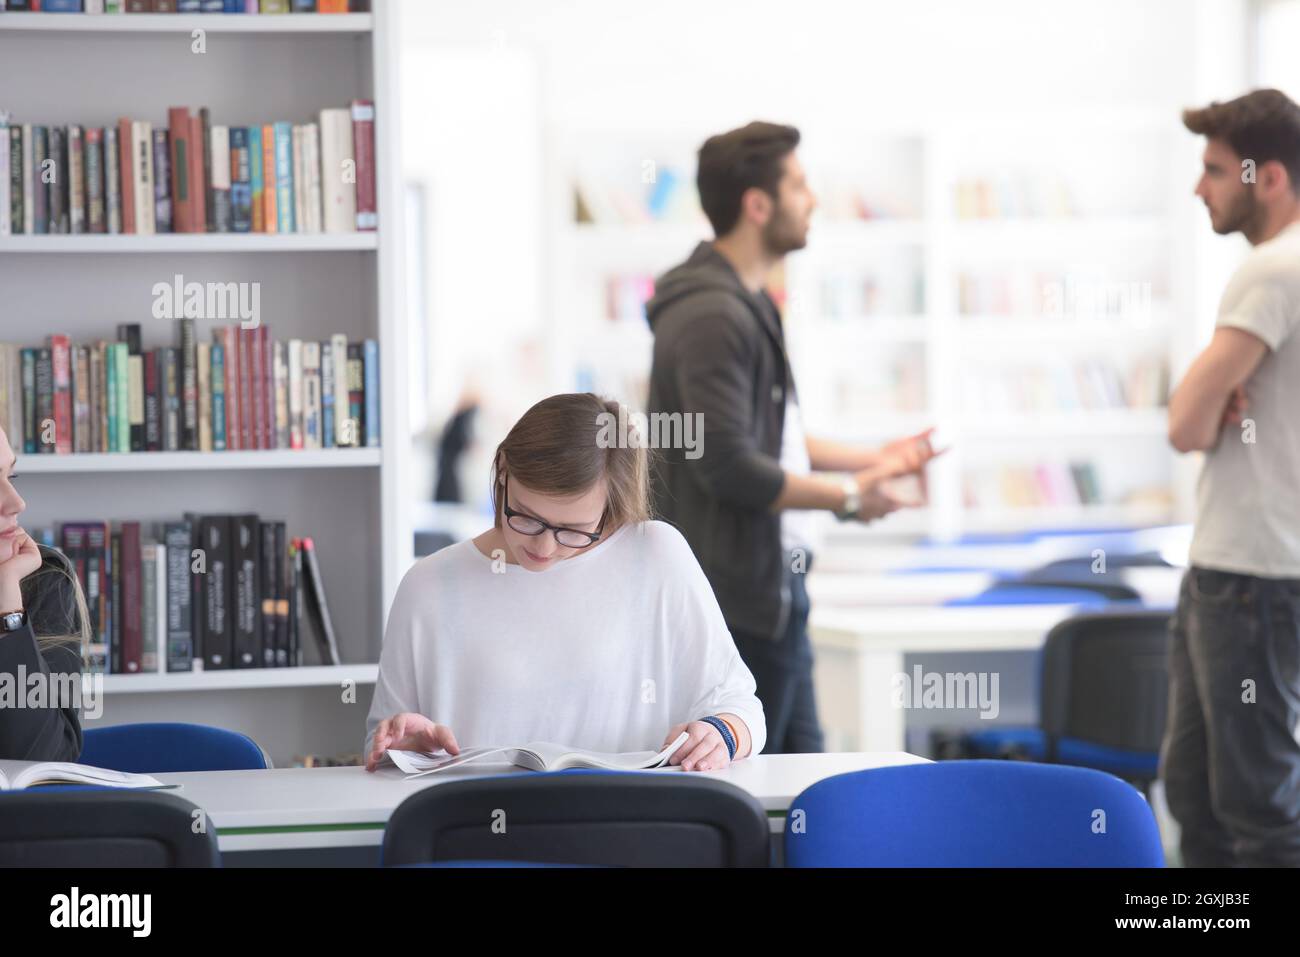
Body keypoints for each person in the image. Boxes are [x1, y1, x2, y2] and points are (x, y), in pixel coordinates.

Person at [645, 121, 938, 754]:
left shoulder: (742, 302)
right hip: (736, 605)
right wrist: (851, 497)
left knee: (804, 790)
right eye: (800, 186)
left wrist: (875, 459)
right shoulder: (713, 314)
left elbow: (775, 440)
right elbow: (728, 463)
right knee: (765, 801)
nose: (815, 201)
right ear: (758, 205)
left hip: (771, 593)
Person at [365, 392, 766, 773]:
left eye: (573, 530)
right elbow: (380, 747)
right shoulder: (429, 585)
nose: (543, 546)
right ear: (502, 470)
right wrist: (402, 750)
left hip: (630, 822)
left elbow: (742, 707)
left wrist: (723, 735)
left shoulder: (656, 555)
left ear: (610, 506)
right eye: (525, 515)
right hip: (479, 833)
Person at [1164, 88, 1300, 867]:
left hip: (1251, 575)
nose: (1199, 187)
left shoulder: (1272, 271)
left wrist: (1208, 399)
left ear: (1269, 176)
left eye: (1214, 170)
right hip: (1239, 569)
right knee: (1200, 791)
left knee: (1253, 807)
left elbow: (1183, 423)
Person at [0, 424, 90, 763]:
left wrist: (8, 610)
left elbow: (45, 763)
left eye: (12, 476)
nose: (16, 502)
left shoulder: (43, 579)